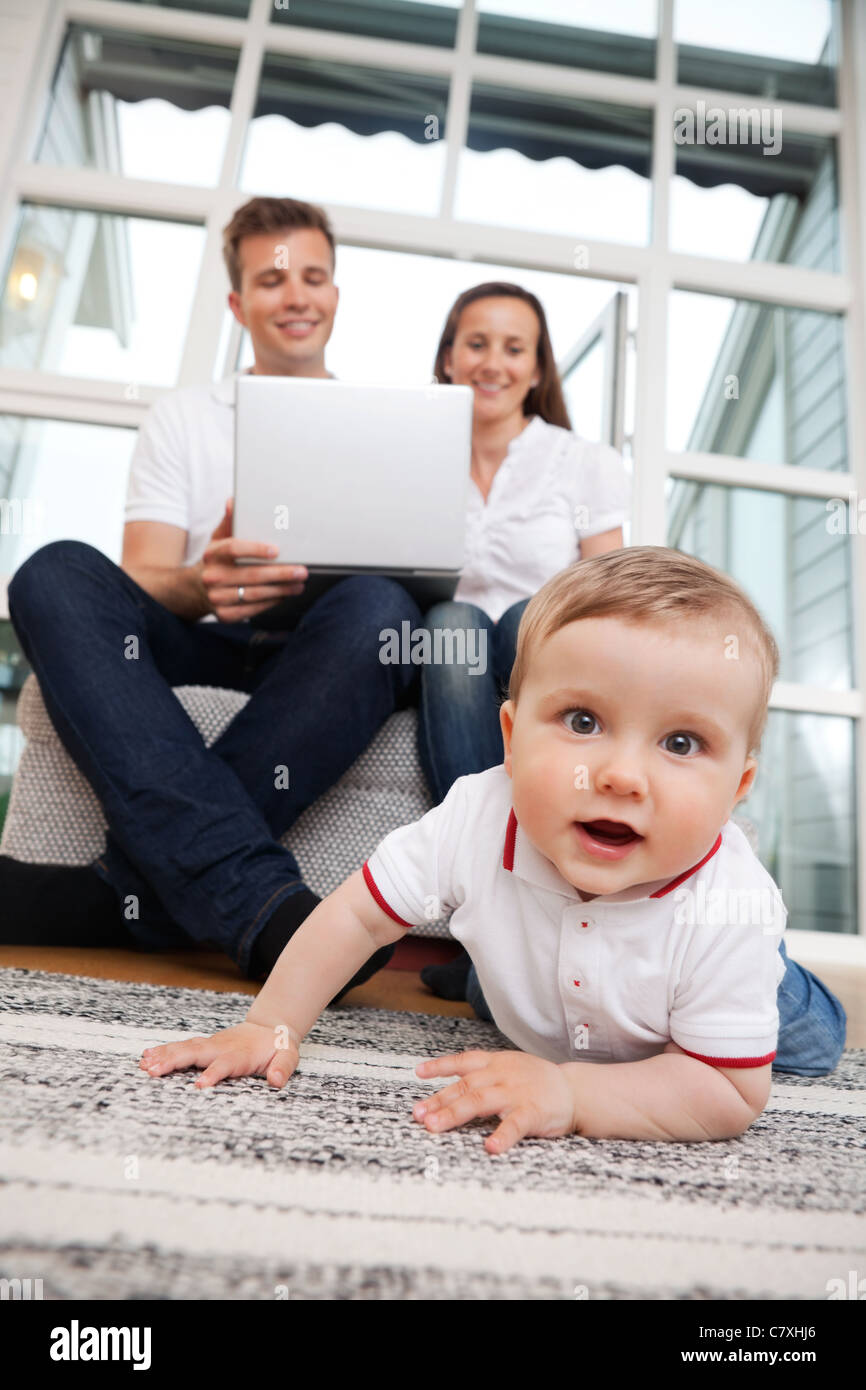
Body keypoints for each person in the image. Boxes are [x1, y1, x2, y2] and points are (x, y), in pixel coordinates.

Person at [139, 548, 847, 1150]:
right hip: (544, 985)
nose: (621, 776)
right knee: (500, 987)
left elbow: (725, 1091)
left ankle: (780, 991)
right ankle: (489, 972)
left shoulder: (732, 905)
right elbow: (357, 915)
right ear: (509, 737)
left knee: (810, 1044)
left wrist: (571, 1093)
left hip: (717, 986)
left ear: (738, 787)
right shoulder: (480, 813)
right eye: (583, 719)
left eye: (681, 743)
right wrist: (273, 1024)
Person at [1, 196, 420, 992]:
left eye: (314, 277)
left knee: (382, 609)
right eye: (270, 280)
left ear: (336, 295)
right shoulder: (183, 418)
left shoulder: (387, 427)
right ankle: (254, 899)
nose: (295, 295)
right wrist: (203, 581)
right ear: (239, 304)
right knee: (54, 570)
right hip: (205, 641)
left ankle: (118, 900)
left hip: (324, 656)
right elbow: (142, 577)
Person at [416, 282, 628, 1003]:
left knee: (517, 619)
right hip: (444, 656)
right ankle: (493, 934)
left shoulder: (580, 461)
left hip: (541, 652)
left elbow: (609, 587)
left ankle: (500, 946)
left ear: (537, 370)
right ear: (448, 358)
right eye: (476, 344)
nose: (492, 363)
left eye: (514, 349)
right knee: (453, 624)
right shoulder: (408, 451)